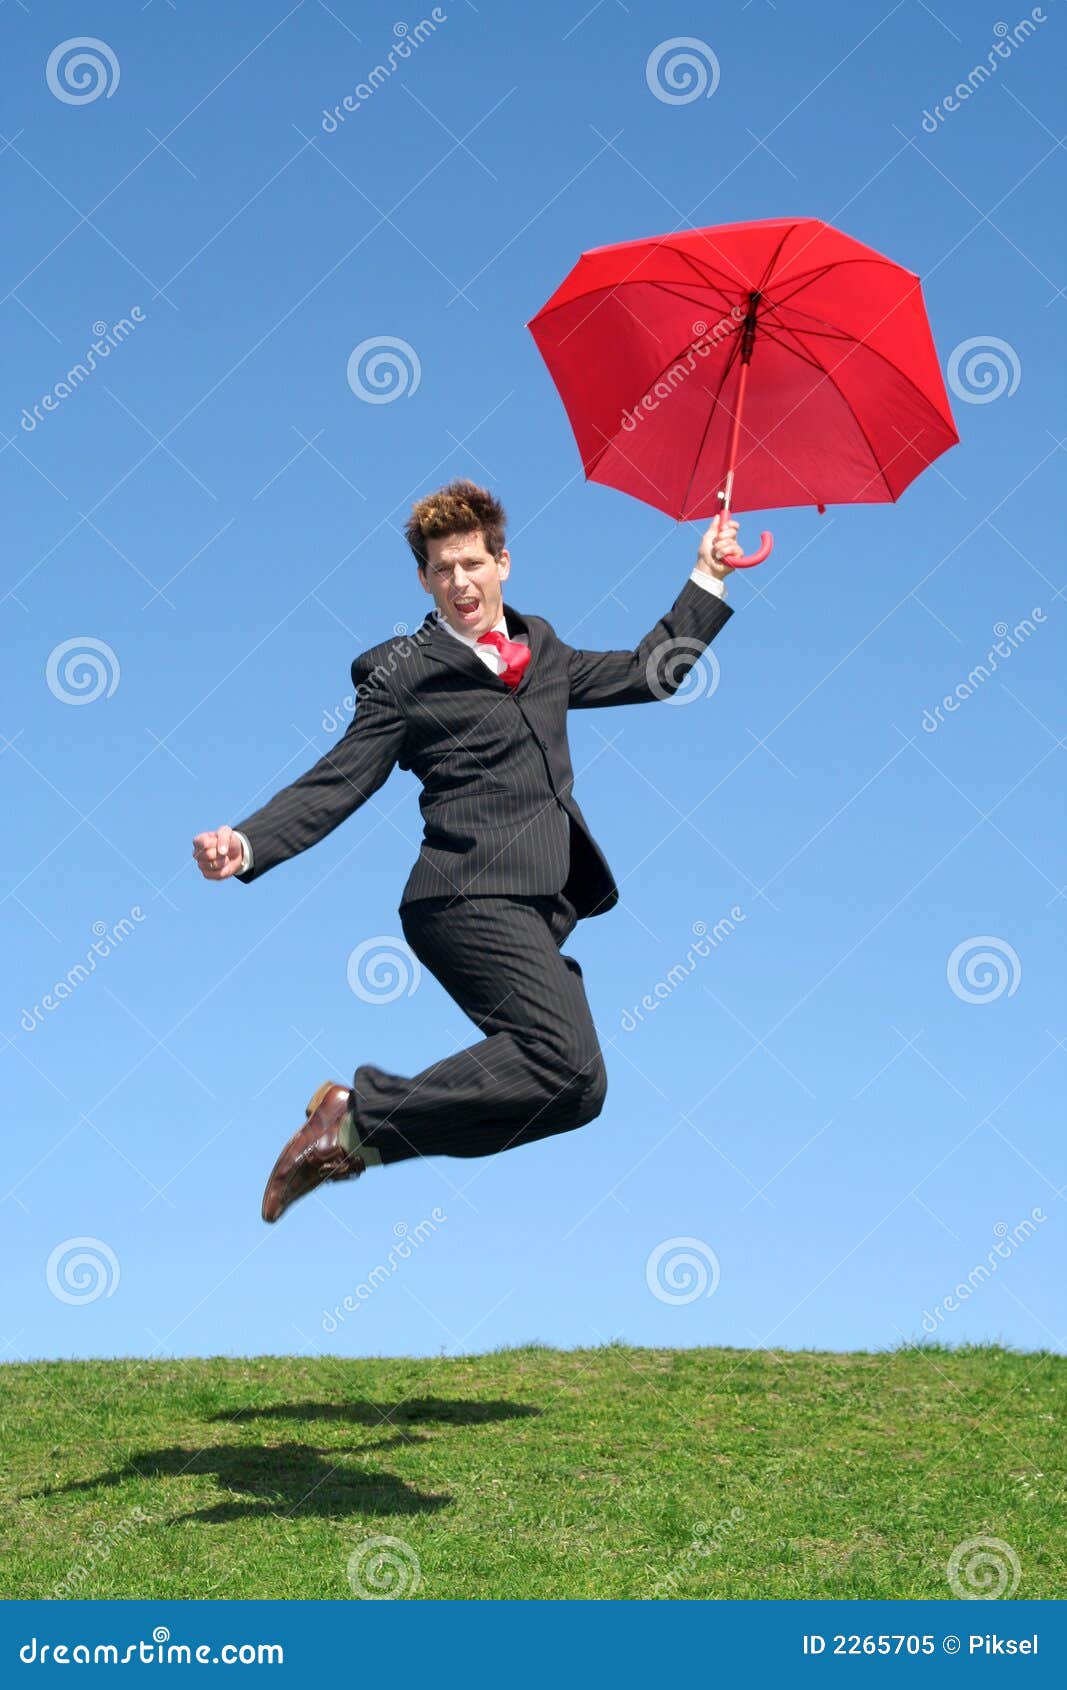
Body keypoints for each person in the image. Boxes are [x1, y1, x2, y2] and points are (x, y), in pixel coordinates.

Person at [193, 480, 740, 1222]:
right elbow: (340, 779)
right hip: (462, 895)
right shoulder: (400, 673)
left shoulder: (541, 648)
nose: (460, 582)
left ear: (502, 563)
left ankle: (355, 1134)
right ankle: (357, 1115)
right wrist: (250, 841)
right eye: (442, 569)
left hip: (537, 904)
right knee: (563, 1058)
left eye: (472, 564)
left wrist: (705, 572)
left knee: (576, 1092)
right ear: (422, 578)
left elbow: (654, 670)